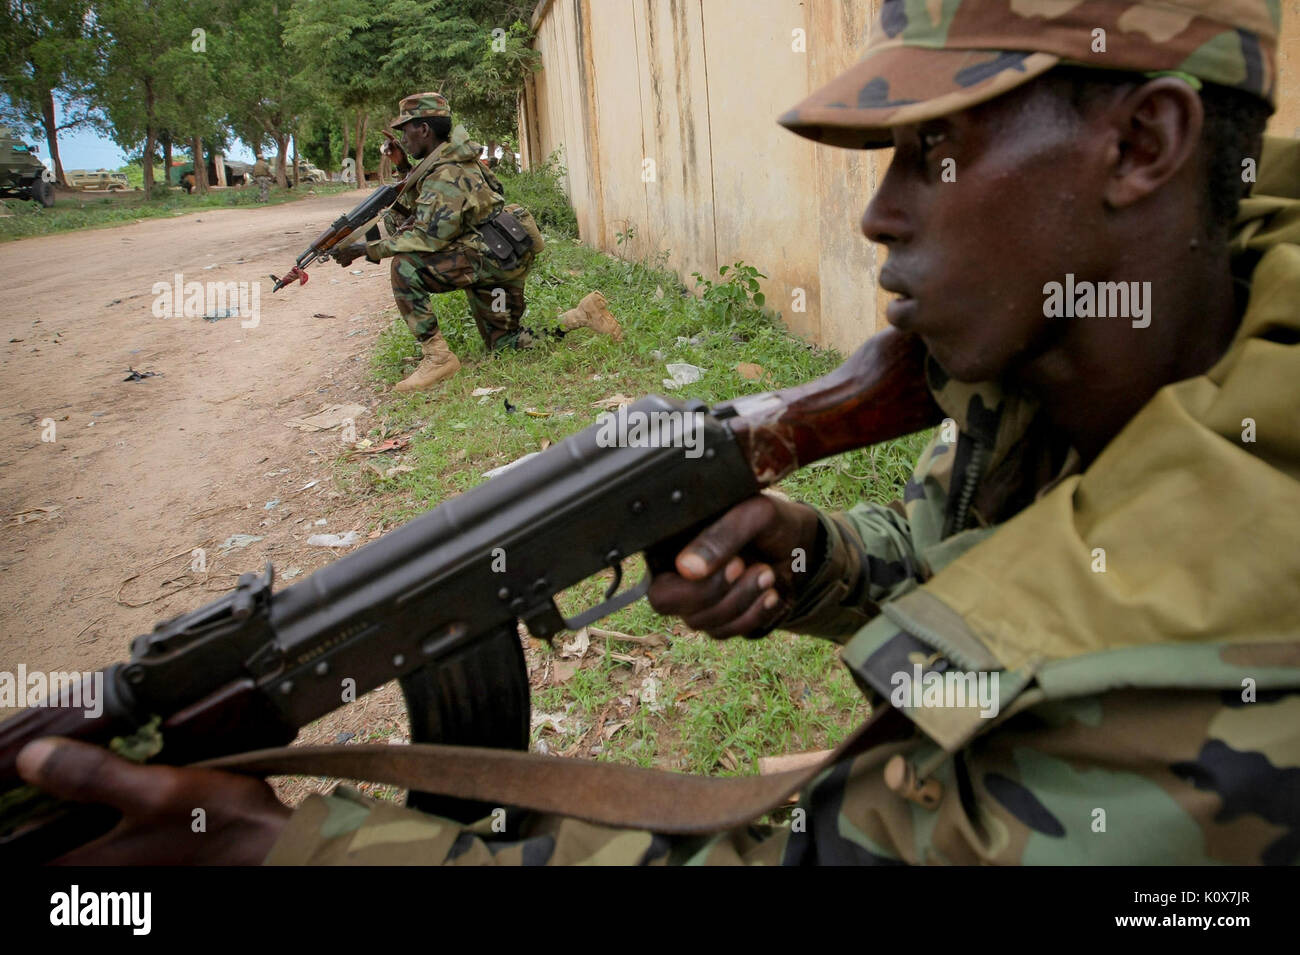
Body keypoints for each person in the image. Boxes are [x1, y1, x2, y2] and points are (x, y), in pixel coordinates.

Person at [16, 2, 1299, 864]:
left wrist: (292, 846)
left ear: (1144, 141)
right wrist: (808, 554)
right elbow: (959, 541)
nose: (880, 214)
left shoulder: (1229, 656)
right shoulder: (1117, 357)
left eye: (933, 151)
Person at [332, 91, 622, 394]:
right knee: (506, 344)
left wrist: (366, 249)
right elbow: (431, 208)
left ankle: (438, 357)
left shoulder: (446, 172)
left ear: (424, 129)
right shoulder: (456, 158)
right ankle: (580, 316)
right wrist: (405, 166)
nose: (402, 139)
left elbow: (428, 237)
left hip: (488, 261)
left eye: (405, 130)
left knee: (406, 267)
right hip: (504, 255)